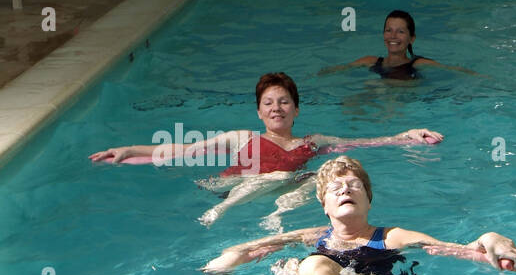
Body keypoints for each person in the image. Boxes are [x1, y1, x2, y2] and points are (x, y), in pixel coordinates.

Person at [203, 156, 516, 275]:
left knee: (310, 266)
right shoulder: (314, 235)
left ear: (368, 200)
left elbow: (449, 249)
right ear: (324, 205)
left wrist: (491, 240)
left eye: (354, 185)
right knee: (284, 268)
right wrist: (227, 260)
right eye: (336, 188)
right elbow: (250, 248)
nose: (345, 189)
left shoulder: (391, 236)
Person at [88, 72, 444, 225]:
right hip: (227, 191)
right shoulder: (242, 138)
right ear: (259, 112)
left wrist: (407, 134)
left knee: (316, 176)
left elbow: (366, 143)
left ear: (297, 109)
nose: (277, 108)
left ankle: (276, 215)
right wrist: (127, 149)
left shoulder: (313, 143)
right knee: (277, 175)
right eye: (269, 103)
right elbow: (183, 150)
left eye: (285, 102)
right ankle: (227, 212)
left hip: (275, 192)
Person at [320, 10, 478, 80]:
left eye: (400, 31)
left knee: (375, 86)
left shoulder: (418, 64)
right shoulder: (370, 61)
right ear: (383, 35)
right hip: (381, 103)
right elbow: (335, 71)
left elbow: (453, 70)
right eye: (389, 30)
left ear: (412, 39)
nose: (393, 36)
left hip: (405, 102)